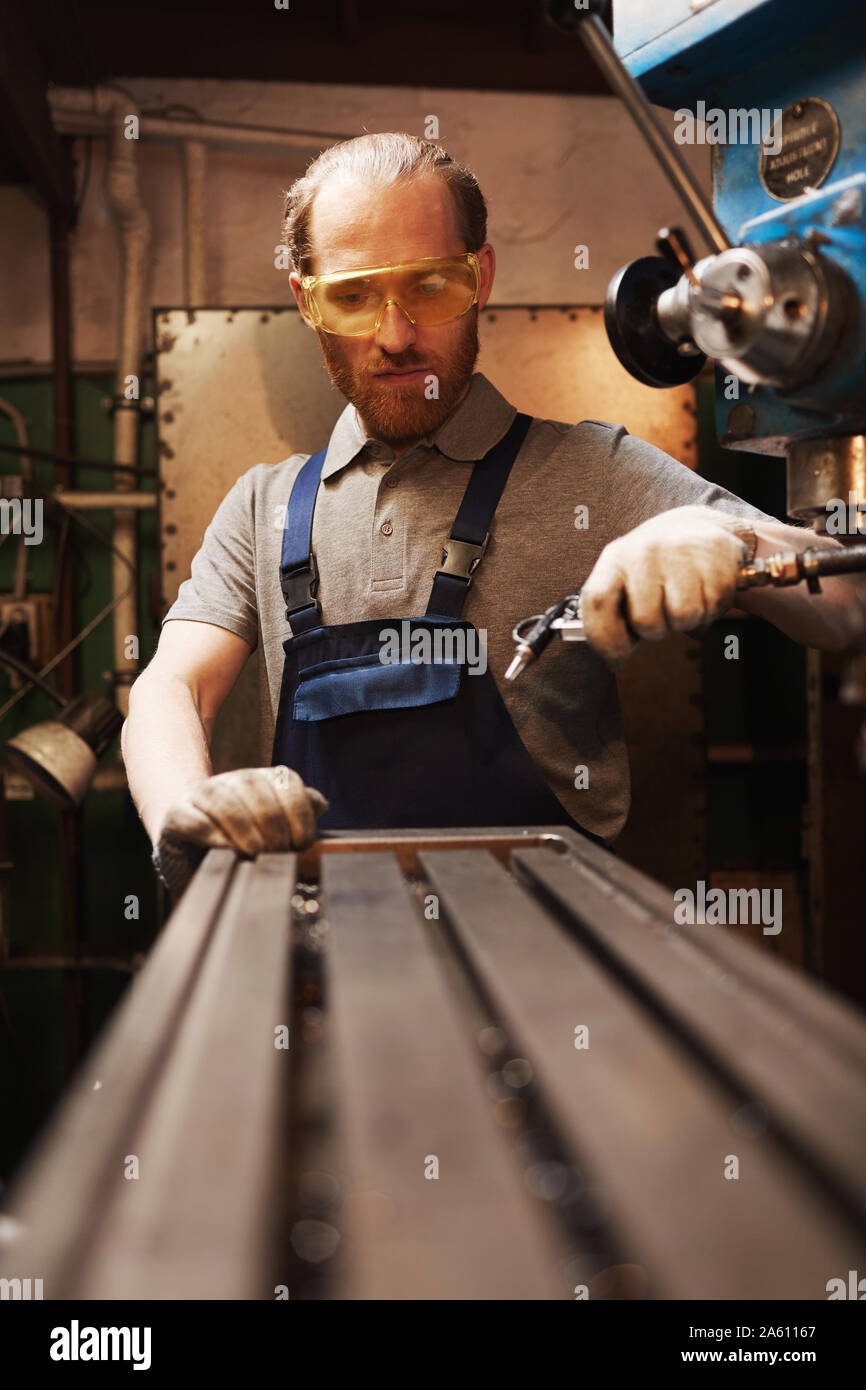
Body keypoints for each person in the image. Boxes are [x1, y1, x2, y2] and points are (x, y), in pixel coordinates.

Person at [121, 133, 864, 901]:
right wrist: (186, 805)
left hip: (549, 965)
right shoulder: (260, 508)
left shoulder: (594, 473)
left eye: (431, 287)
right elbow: (168, 687)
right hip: (329, 957)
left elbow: (848, 607)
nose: (395, 335)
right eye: (352, 296)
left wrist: (727, 538)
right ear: (305, 299)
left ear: (481, 277)